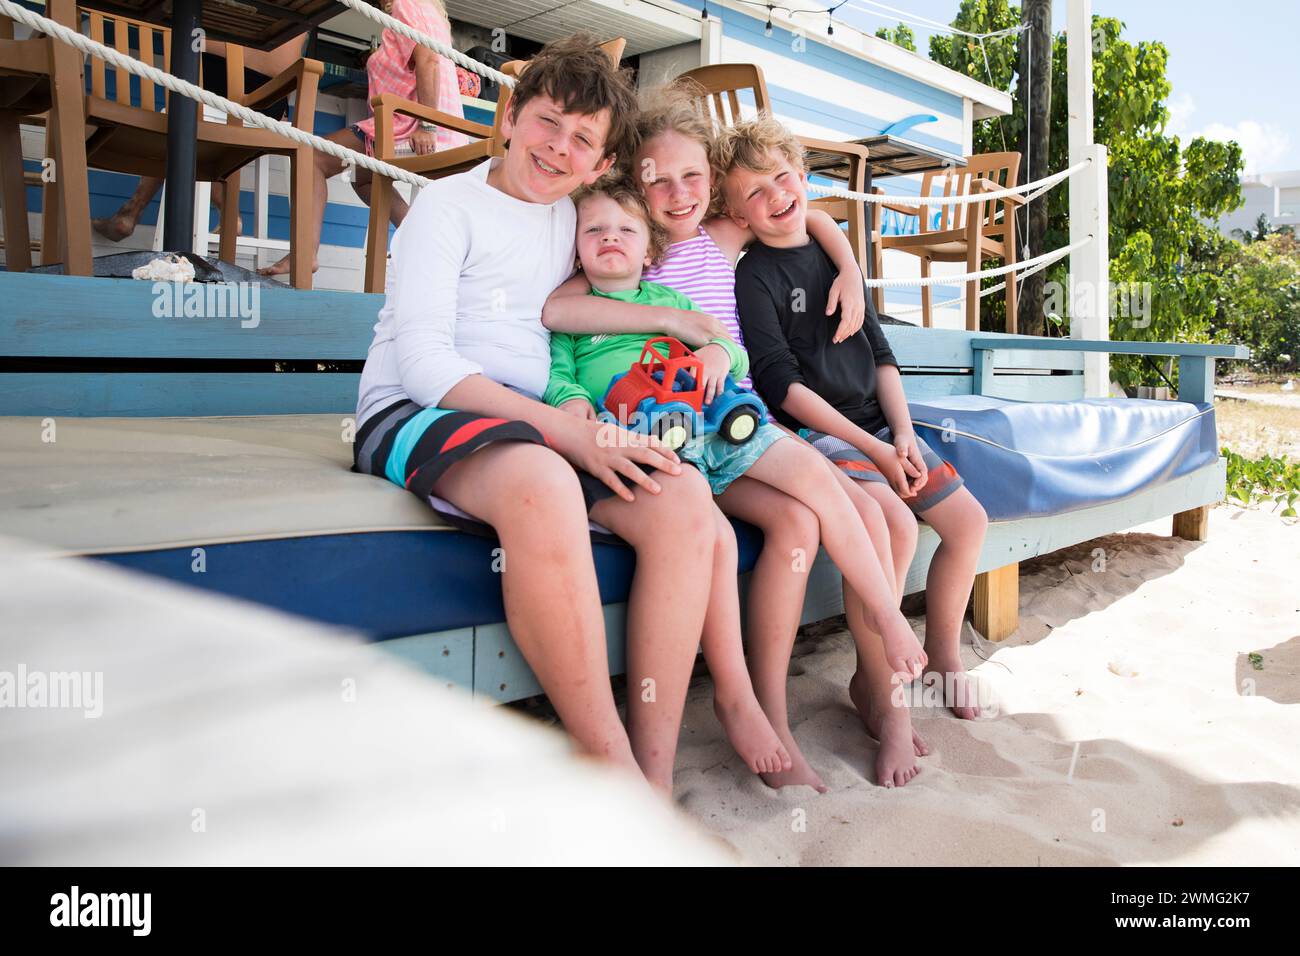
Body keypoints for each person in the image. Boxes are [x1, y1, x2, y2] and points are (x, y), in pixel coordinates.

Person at [352, 35, 723, 794]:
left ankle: (653, 780)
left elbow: (646, 269)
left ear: (600, 164)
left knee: (683, 498)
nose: (559, 149)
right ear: (512, 115)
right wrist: (567, 432)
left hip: (539, 419)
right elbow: (423, 362)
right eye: (548, 122)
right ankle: (607, 764)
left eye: (583, 140)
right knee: (545, 481)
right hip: (417, 408)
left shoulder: (575, 222)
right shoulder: (449, 205)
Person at [543, 86, 922, 788]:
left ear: (713, 185)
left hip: (735, 420)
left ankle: (804, 695)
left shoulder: (719, 234)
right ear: (635, 183)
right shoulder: (625, 246)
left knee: (817, 512)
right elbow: (561, 309)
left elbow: (809, 214)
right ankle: (747, 702)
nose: (680, 194)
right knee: (767, 519)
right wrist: (683, 333)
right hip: (664, 433)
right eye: (660, 180)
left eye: (695, 178)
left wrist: (849, 270)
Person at [720, 115, 991, 770]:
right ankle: (880, 692)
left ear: (802, 174)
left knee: (968, 521)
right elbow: (780, 384)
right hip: (822, 433)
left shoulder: (834, 248)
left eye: (782, 178)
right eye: (754, 194)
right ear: (737, 212)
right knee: (891, 527)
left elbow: (882, 353)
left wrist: (900, 433)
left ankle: (946, 652)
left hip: (878, 422)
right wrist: (870, 449)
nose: (776, 197)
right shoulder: (753, 275)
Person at [258, 0, 469, 277]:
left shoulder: (409, 3)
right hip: (440, 134)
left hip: (416, 133)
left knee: (310, 156)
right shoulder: (427, 12)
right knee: (364, 177)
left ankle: (305, 253)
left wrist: (427, 126)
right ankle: (420, 234)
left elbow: (428, 58)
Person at [92, 34, 308, 243]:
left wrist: (200, 39)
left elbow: (195, 37)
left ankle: (133, 210)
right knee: (191, 122)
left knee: (182, 120)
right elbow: (284, 62)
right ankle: (228, 213)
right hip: (269, 104)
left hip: (215, 97)